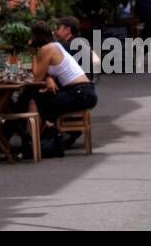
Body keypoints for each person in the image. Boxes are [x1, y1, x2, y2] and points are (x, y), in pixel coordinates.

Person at [23, 20, 98, 150]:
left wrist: (33, 53)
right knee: (41, 97)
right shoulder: (56, 46)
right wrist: (49, 78)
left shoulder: (47, 49)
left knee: (35, 100)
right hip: (85, 91)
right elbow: (52, 69)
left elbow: (36, 77)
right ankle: (37, 141)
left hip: (79, 93)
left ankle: (31, 143)